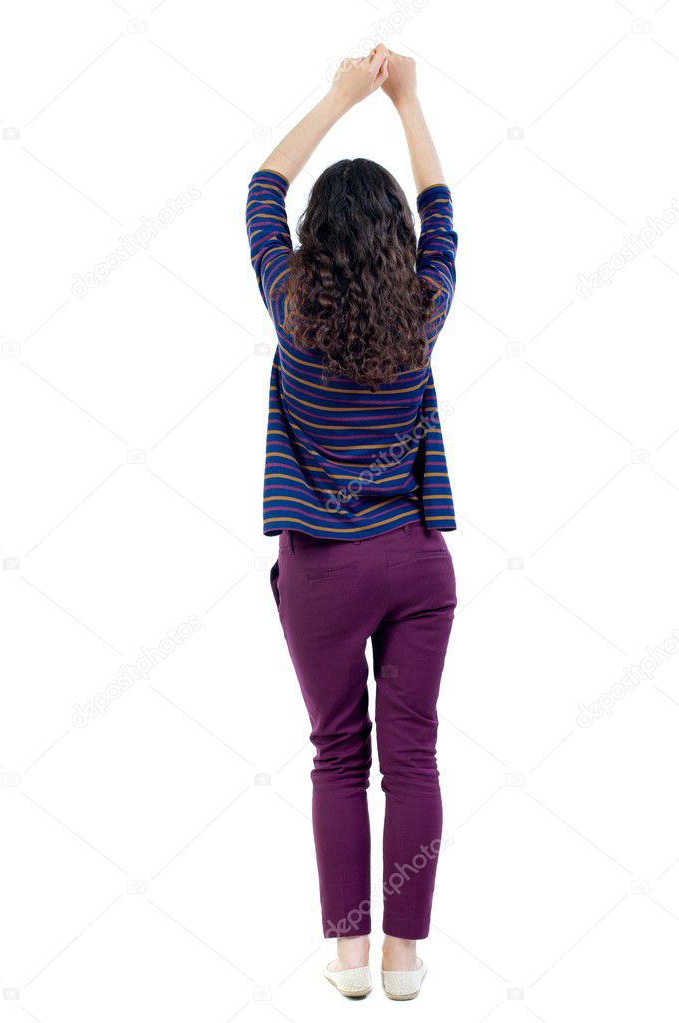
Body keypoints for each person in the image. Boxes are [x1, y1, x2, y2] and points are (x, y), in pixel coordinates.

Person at [246, 44, 458, 1001]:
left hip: (323, 573)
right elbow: (443, 208)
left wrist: (340, 99)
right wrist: (406, 100)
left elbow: (261, 189)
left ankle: (347, 957)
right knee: (411, 753)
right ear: (400, 246)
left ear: (314, 241)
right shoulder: (423, 308)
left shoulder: (291, 306)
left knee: (341, 754)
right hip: (417, 566)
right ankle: (405, 957)